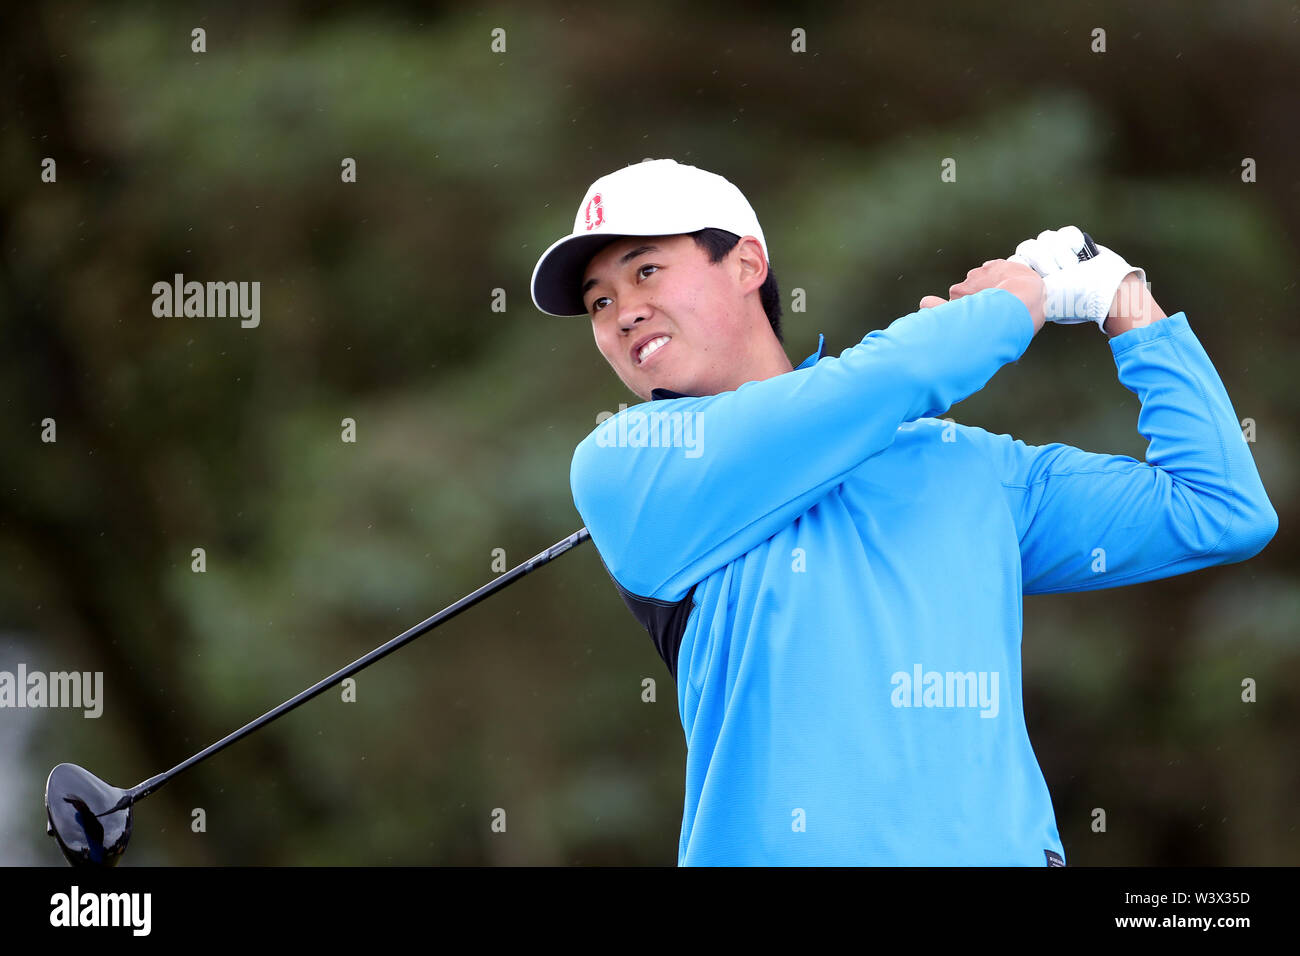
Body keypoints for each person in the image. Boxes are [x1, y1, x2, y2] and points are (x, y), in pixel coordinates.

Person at [529, 158, 1279, 866]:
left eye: (646, 270)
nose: (624, 312)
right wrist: (1007, 308)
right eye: (600, 302)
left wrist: (1127, 305)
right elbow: (895, 375)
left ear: (748, 264)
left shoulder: (964, 464)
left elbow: (1220, 509)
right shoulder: (627, 464)